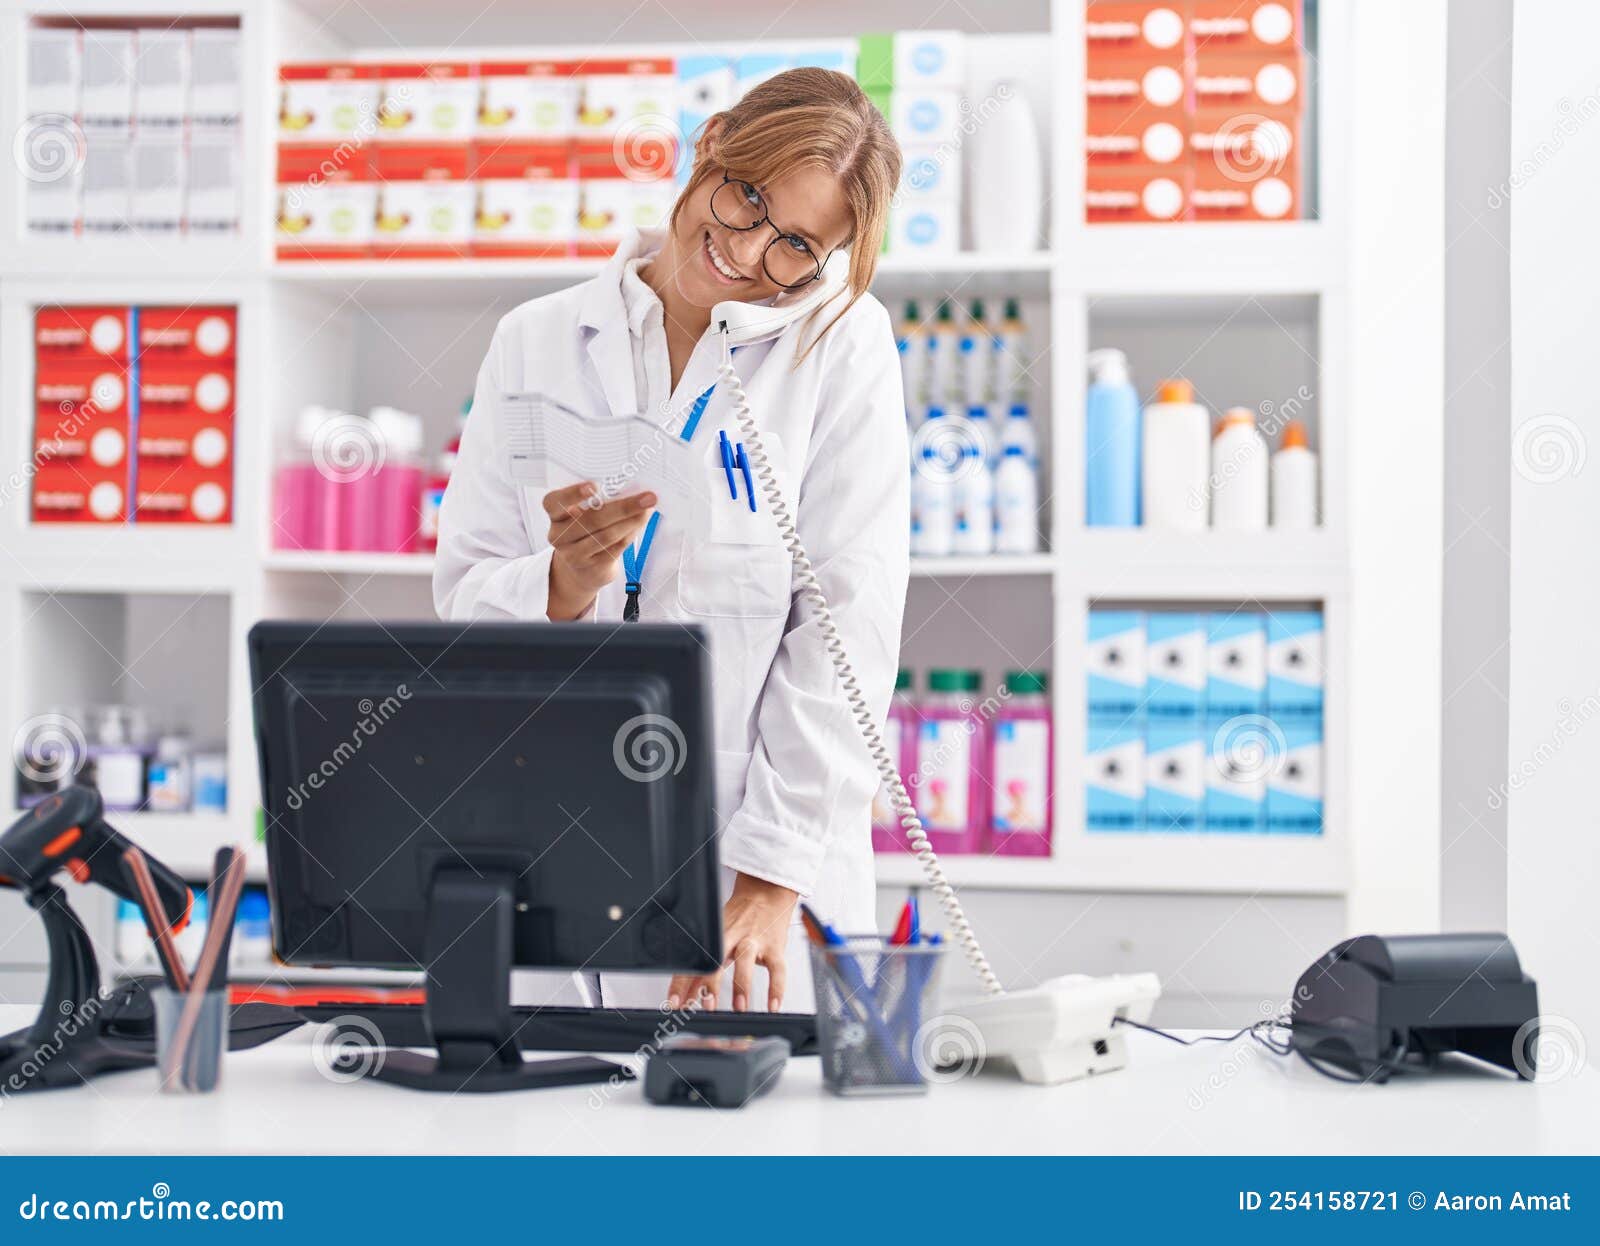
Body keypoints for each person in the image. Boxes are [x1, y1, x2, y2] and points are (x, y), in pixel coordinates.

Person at [435, 68, 908, 1013]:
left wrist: (770, 881)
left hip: (755, 882)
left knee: (754, 1148)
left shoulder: (842, 346)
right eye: (746, 200)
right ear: (712, 143)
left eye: (795, 247)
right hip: (554, 845)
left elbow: (844, 629)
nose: (744, 252)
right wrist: (562, 582)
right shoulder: (536, 339)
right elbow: (463, 597)